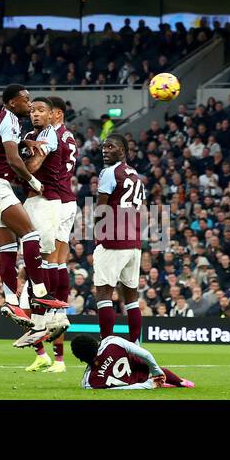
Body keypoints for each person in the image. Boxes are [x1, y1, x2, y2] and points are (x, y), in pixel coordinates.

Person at [0, 85, 65, 337]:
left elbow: (0, 144)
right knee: (31, 235)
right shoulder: (9, 119)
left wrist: (25, 140)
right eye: (26, 101)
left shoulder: (5, 118)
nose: (30, 104)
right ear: (13, 103)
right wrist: (34, 182)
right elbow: (13, 159)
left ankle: (11, 301)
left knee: (8, 247)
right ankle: (42, 294)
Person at [15, 95, 79, 367]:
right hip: (65, 199)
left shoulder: (52, 135)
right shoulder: (64, 136)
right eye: (34, 111)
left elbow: (34, 164)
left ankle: (49, 322)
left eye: (43, 110)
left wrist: (24, 172)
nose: (37, 115)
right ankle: (53, 354)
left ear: (56, 113)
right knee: (55, 262)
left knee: (39, 264)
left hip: (50, 199)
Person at [90, 134, 146, 347]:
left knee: (104, 293)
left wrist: (97, 236)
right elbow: (143, 207)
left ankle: (105, 345)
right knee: (131, 298)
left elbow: (101, 208)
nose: (105, 150)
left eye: (111, 147)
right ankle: (136, 348)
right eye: (104, 147)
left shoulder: (109, 172)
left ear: (122, 150)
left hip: (113, 240)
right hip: (133, 242)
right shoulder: (135, 175)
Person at [70, 334, 194, 389]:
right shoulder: (112, 342)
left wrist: (147, 385)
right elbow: (145, 354)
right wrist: (157, 372)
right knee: (160, 370)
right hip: (144, 372)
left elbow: (120, 390)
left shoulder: (89, 382)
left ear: (80, 358)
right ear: (94, 342)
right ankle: (181, 382)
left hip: (134, 383)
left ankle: (168, 382)